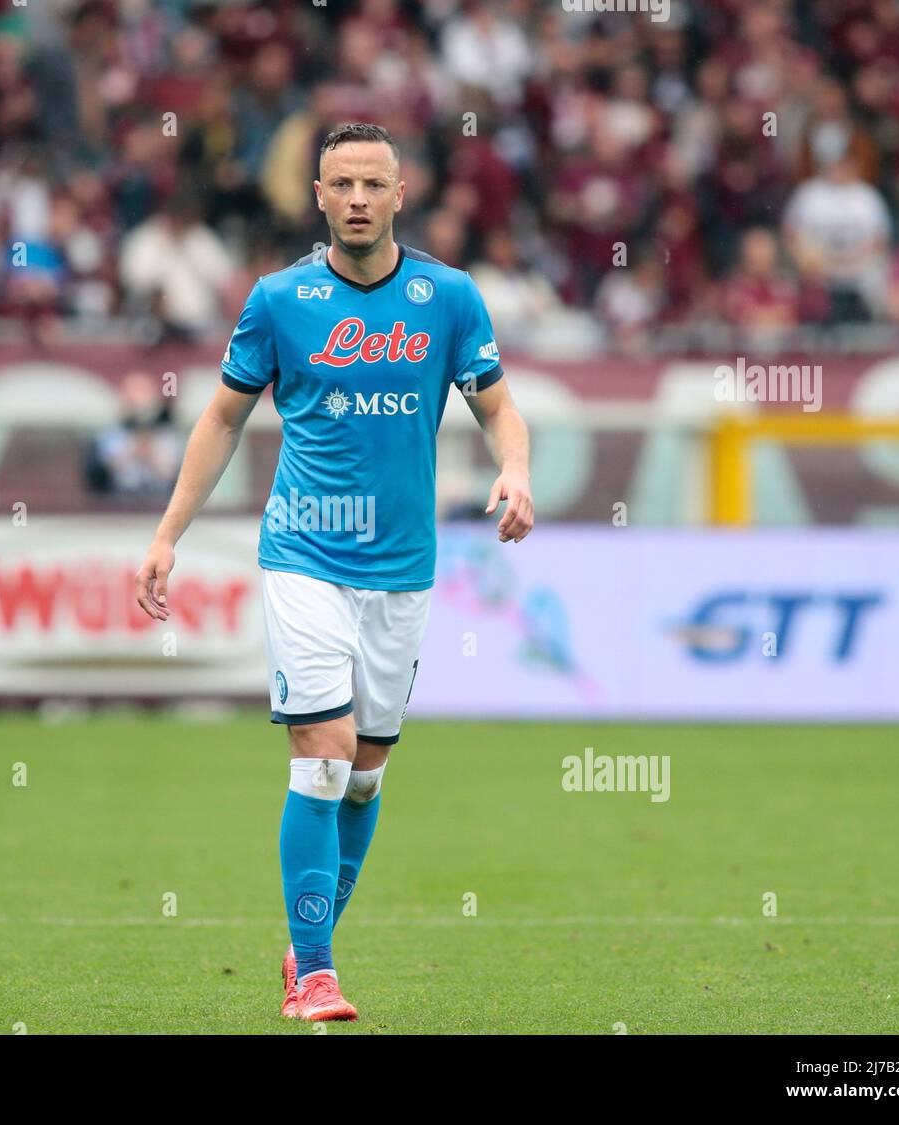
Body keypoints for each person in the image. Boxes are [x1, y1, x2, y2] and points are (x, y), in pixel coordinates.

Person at [134, 123, 533, 1022]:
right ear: (318, 196)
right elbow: (222, 421)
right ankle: (316, 970)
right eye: (341, 183)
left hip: (404, 568)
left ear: (400, 194)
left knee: (366, 772)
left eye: (373, 183)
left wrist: (515, 467)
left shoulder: (449, 297)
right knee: (322, 755)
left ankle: (302, 950)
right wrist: (168, 533)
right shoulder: (279, 300)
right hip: (305, 554)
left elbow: (500, 408)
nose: (357, 198)